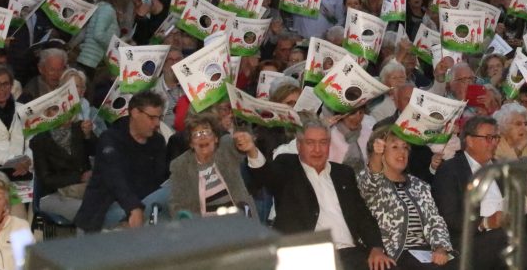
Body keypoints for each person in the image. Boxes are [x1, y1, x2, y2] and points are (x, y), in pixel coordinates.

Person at [244, 116, 393, 270]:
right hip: (309, 256)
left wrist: (376, 248)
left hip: (350, 254)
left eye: (323, 143)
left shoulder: (343, 173)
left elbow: (363, 215)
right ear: (299, 145)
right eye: (310, 143)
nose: (317, 149)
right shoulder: (288, 166)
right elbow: (266, 176)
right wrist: (252, 151)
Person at [432, 116, 527, 270]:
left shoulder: (501, 166)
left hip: (507, 230)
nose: (494, 143)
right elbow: (449, 218)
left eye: (496, 138)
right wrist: (485, 222)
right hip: (472, 239)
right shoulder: (450, 170)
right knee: (510, 239)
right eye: (488, 138)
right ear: (470, 140)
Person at [357, 126, 455, 268]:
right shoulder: (370, 183)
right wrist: (376, 157)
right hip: (392, 256)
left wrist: (440, 248)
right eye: (395, 147)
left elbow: (435, 221)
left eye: (405, 147)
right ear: (379, 151)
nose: (402, 152)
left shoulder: (419, 185)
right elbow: (371, 179)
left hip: (425, 254)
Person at [73, 90, 170, 231]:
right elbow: (115, 177)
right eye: (151, 118)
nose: (156, 123)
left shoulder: (157, 141)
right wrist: (134, 208)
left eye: (159, 118)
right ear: (135, 113)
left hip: (142, 205)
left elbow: (158, 179)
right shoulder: (110, 139)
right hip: (105, 210)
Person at [169, 113, 258, 218]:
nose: (202, 137)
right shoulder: (180, 165)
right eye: (196, 134)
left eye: (207, 132)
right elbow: (176, 205)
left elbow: (242, 144)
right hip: (206, 228)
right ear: (191, 144)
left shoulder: (226, 147)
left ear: (216, 138)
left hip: (240, 219)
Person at [30, 97, 97, 223]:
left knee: (108, 204)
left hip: (84, 189)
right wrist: (79, 177)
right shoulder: (39, 141)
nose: (62, 112)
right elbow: (46, 179)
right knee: (88, 211)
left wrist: (88, 135)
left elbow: (97, 151)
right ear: (47, 114)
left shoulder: (80, 129)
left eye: (65, 107)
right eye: (56, 109)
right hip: (54, 194)